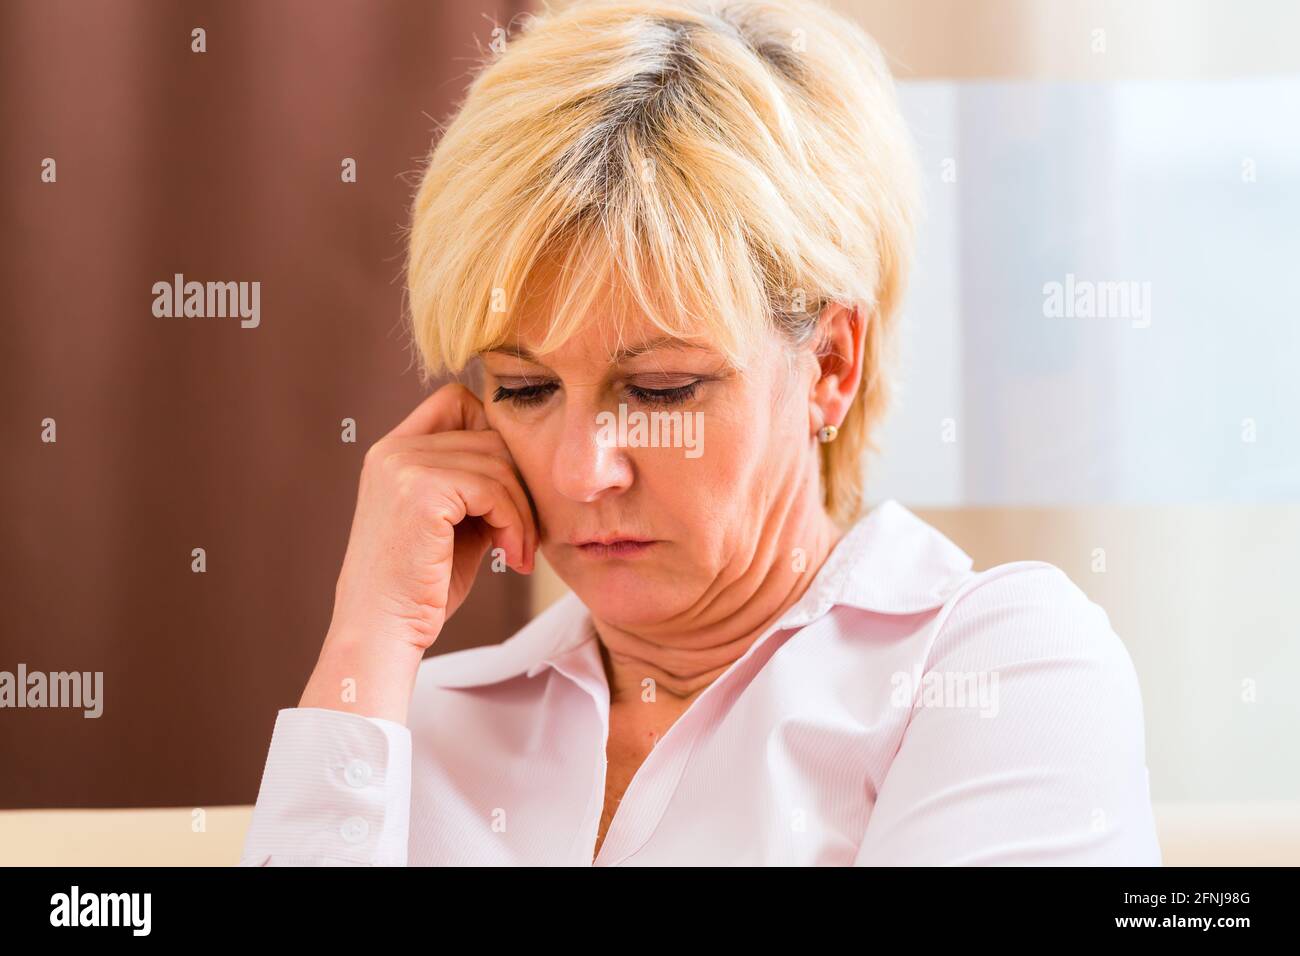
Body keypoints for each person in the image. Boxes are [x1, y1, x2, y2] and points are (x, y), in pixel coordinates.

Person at [240, 0, 1162, 866]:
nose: (581, 469)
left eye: (660, 387)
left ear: (831, 365)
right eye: (524, 387)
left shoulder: (998, 668)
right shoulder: (410, 725)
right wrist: (367, 643)